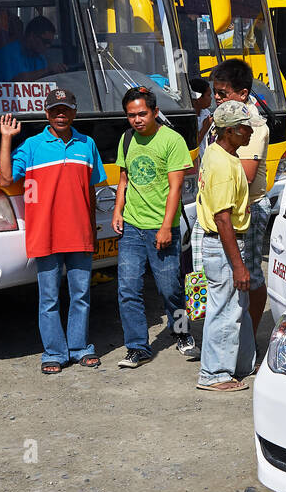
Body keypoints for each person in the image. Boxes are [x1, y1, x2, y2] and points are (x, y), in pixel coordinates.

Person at [0, 88, 105, 374]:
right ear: (46, 114)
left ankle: (80, 348)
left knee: (81, 295)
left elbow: (91, 190)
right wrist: (6, 139)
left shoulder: (88, 144)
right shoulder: (32, 146)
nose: (61, 114)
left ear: (74, 113)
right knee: (49, 298)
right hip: (45, 234)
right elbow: (6, 178)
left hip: (80, 233)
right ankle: (53, 353)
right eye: (55, 110)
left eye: (66, 109)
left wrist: (92, 229)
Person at [111, 85, 199, 367]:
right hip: (132, 229)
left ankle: (182, 332)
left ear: (155, 112)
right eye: (131, 115)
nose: (137, 120)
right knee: (128, 289)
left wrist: (165, 227)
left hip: (163, 229)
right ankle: (137, 347)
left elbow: (175, 190)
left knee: (169, 288)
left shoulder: (172, 141)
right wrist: (117, 211)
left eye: (142, 114)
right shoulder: (126, 139)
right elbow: (124, 180)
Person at [192, 60, 271, 341]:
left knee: (247, 275)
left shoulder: (250, 127)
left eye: (223, 93)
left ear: (243, 93)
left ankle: (244, 339)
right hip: (214, 208)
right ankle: (213, 337)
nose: (217, 98)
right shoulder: (218, 121)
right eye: (215, 92)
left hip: (240, 211)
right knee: (203, 275)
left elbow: (244, 178)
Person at [196, 100, 257, 393]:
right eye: (245, 129)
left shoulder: (218, 153)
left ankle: (239, 366)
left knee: (236, 309)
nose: (249, 134)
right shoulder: (221, 163)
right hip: (225, 247)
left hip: (225, 246)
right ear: (230, 131)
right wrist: (238, 265)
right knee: (225, 311)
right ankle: (214, 374)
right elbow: (223, 219)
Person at [0, 15, 67, 85]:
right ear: (32, 36)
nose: (48, 46)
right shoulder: (9, 53)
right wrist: (48, 70)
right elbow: (16, 83)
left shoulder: (40, 58)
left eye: (50, 43)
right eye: (45, 42)